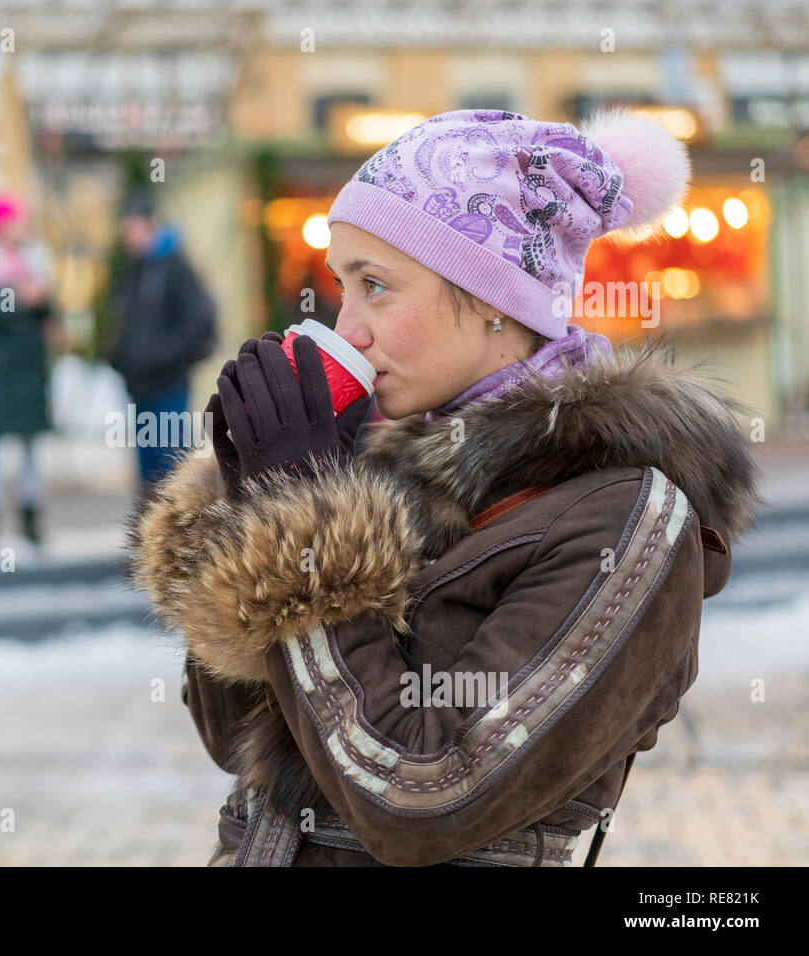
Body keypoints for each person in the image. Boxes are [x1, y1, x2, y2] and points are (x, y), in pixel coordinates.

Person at [125, 108, 761, 867]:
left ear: (495, 296)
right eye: (341, 287)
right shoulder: (376, 471)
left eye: (376, 286)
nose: (347, 327)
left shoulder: (624, 518)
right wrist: (241, 504)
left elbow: (419, 802)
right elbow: (235, 740)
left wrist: (301, 518)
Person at [106, 190, 218, 492]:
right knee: (148, 470)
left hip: (167, 383)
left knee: (171, 464)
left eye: (132, 226)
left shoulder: (174, 267)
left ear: (149, 225)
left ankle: (176, 534)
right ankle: (150, 533)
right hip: (140, 384)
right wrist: (120, 358)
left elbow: (193, 322)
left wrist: (160, 357)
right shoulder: (136, 267)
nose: (127, 234)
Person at [0, 193, 55, 563]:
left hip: (30, 372)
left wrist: (36, 300)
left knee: (31, 452)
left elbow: (48, 310)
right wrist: (20, 297)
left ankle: (31, 525)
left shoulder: (37, 262)